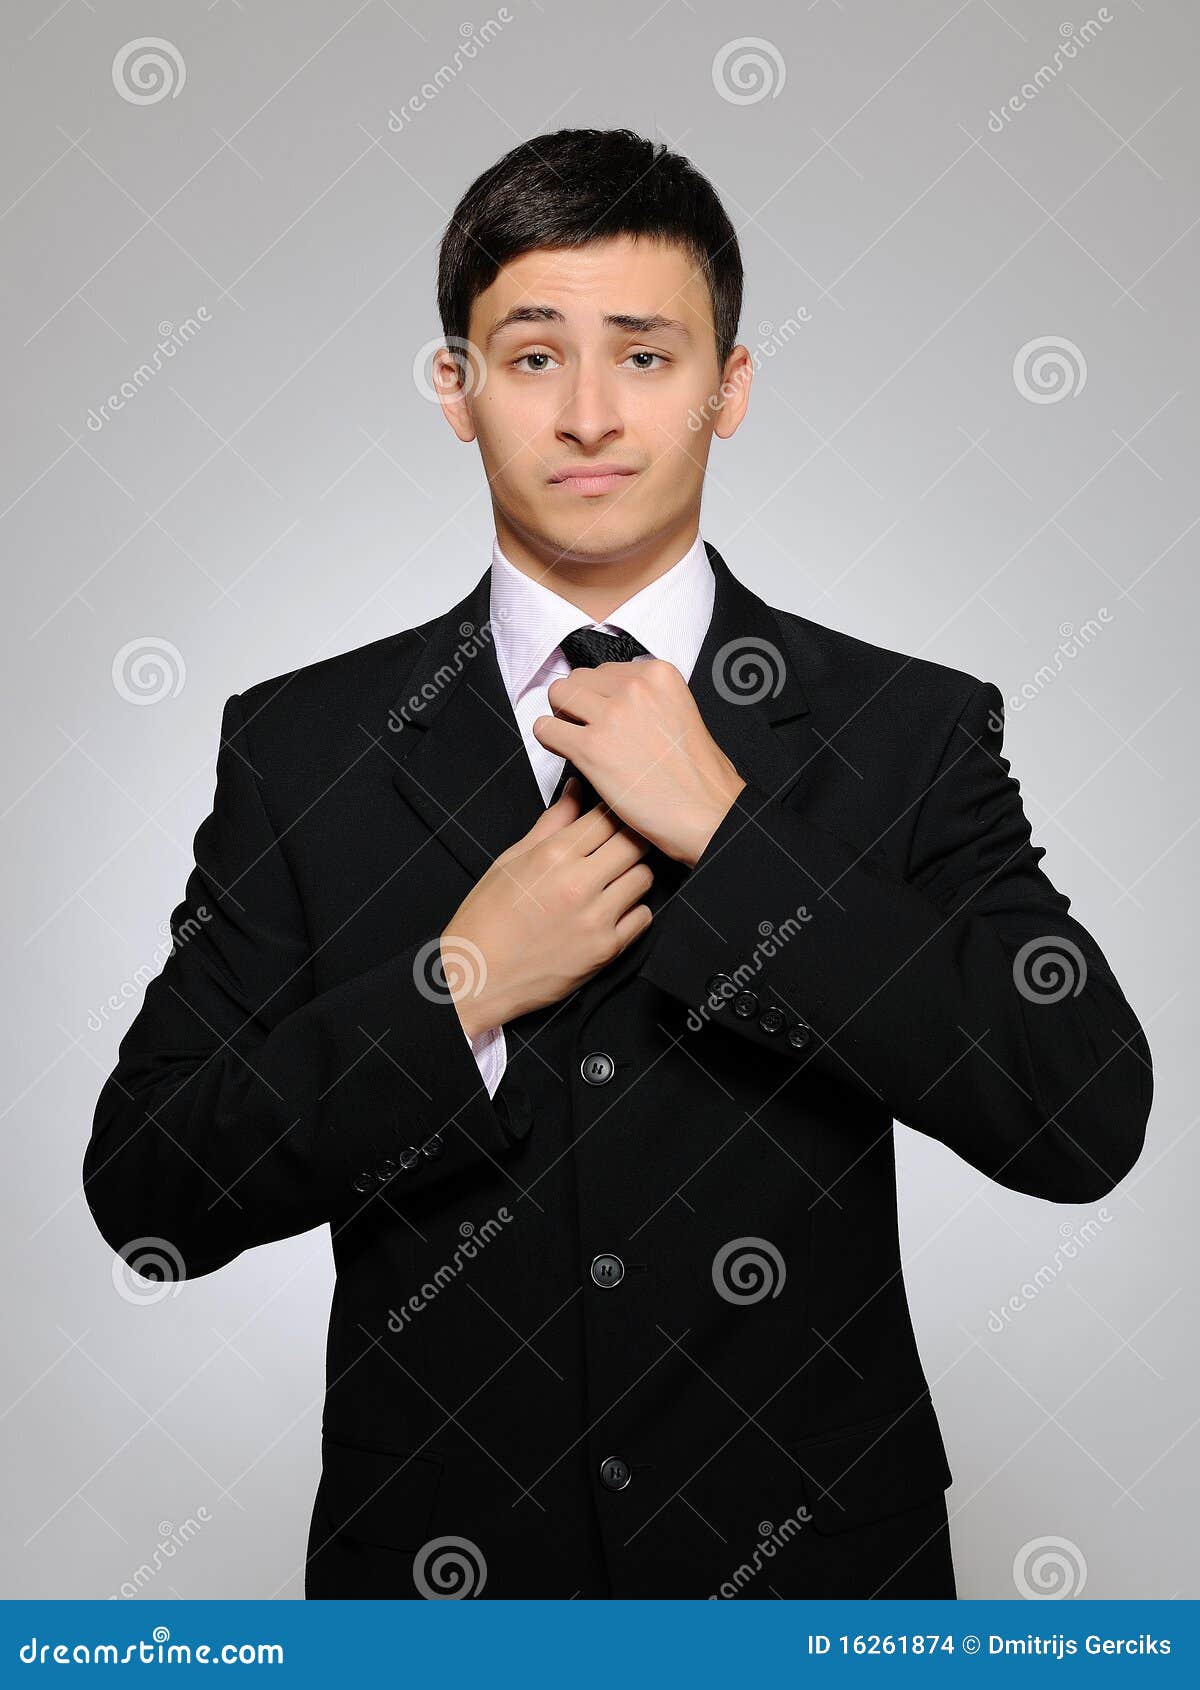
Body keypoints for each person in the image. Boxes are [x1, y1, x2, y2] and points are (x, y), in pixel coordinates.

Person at [83, 128, 1152, 1600]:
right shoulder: (302, 746)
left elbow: (1082, 1108)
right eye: (533, 358)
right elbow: (148, 1190)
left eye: (645, 357)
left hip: (813, 1596)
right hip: (440, 1605)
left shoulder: (905, 732)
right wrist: (454, 988)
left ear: (732, 387)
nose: (588, 412)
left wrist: (734, 834)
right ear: (455, 391)